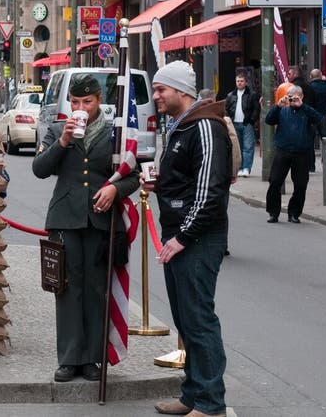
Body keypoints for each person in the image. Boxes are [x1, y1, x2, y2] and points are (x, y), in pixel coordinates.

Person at [32, 74, 139, 383]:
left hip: (100, 219)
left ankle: (91, 357)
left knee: (95, 289)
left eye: (86, 102)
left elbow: (132, 175)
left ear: (98, 102)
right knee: (66, 288)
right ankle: (68, 359)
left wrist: (115, 191)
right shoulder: (55, 130)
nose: (80, 107)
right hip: (64, 218)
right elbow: (40, 169)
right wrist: (63, 142)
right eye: (75, 102)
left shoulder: (113, 134)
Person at [148, 60, 230, 417]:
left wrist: (182, 236)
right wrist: (159, 184)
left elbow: (210, 192)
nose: (156, 96)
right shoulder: (182, 126)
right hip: (181, 233)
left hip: (196, 238)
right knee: (185, 319)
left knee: (198, 319)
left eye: (161, 89)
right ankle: (193, 394)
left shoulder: (206, 127)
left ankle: (211, 403)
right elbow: (186, 180)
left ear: (181, 90)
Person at [264, 84, 326, 223]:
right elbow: (268, 120)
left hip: (301, 153)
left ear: (301, 97)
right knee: (274, 182)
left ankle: (294, 213)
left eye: (295, 97)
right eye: (289, 97)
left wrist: (302, 105)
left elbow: (319, 119)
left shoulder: (306, 110)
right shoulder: (282, 109)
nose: (292, 100)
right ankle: (273, 212)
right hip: (282, 151)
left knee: (300, 184)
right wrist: (278, 106)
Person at [224, 73, 260, 177]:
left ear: (246, 82)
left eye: (241, 81)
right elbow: (226, 109)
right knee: (237, 147)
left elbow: (256, 109)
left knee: (248, 147)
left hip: (247, 124)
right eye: (238, 81)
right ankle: (239, 168)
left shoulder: (252, 94)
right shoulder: (230, 95)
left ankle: (246, 168)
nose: (239, 83)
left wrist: (251, 120)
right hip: (234, 124)